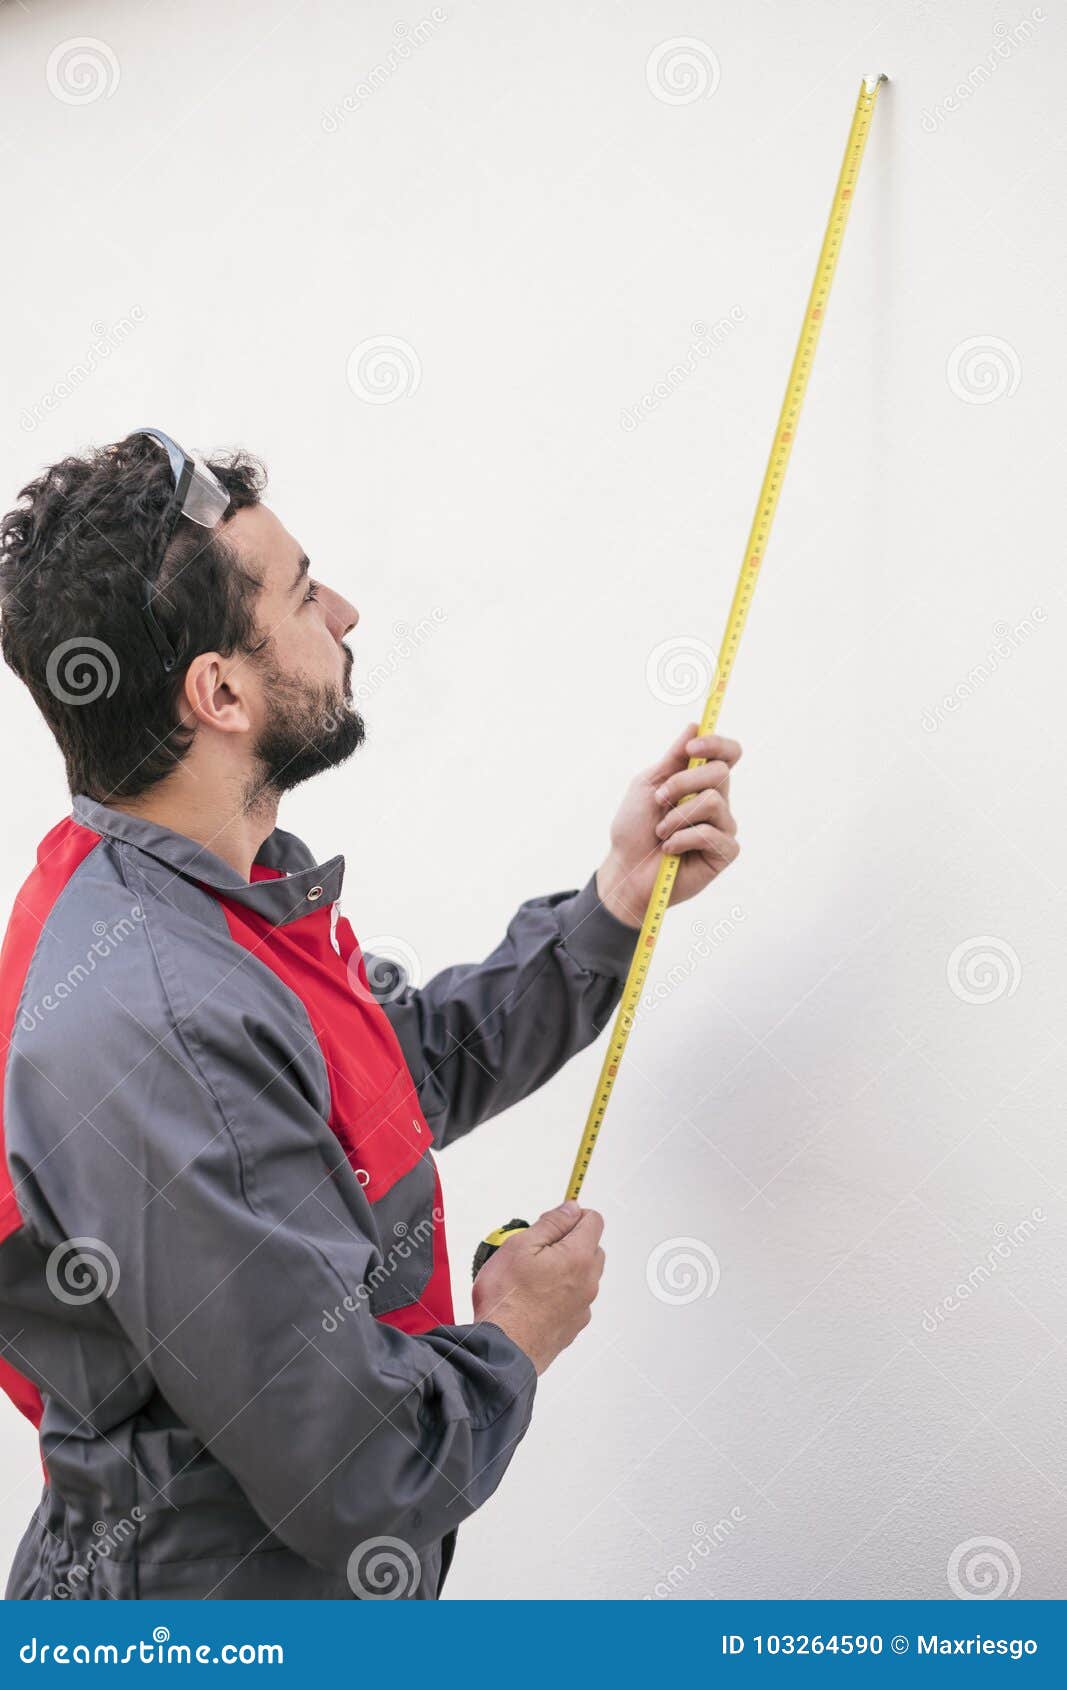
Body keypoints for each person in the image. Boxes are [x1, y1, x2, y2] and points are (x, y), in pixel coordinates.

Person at [0, 430, 741, 1599]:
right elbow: (364, 1471)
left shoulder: (198, 901)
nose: (342, 611)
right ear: (222, 692)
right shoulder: (158, 1015)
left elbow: (400, 1076)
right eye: (302, 594)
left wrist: (611, 904)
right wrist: (513, 1334)